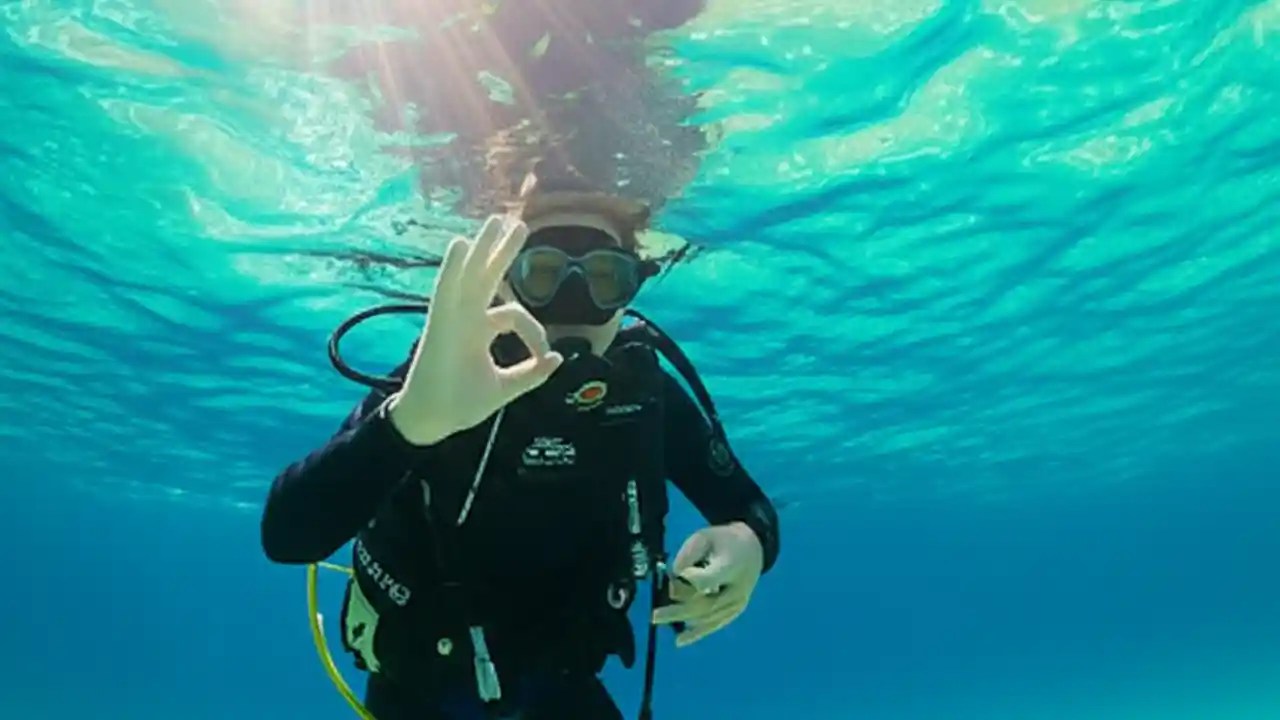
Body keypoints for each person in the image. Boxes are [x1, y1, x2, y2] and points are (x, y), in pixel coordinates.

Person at [259, 171, 780, 720]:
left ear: (632, 291)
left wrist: (749, 545)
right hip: (421, 695)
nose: (573, 306)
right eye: (544, 274)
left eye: (606, 278)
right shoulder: (444, 378)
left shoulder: (642, 395)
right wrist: (408, 424)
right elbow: (287, 534)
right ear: (504, 282)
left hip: (563, 685)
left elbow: (750, 509)